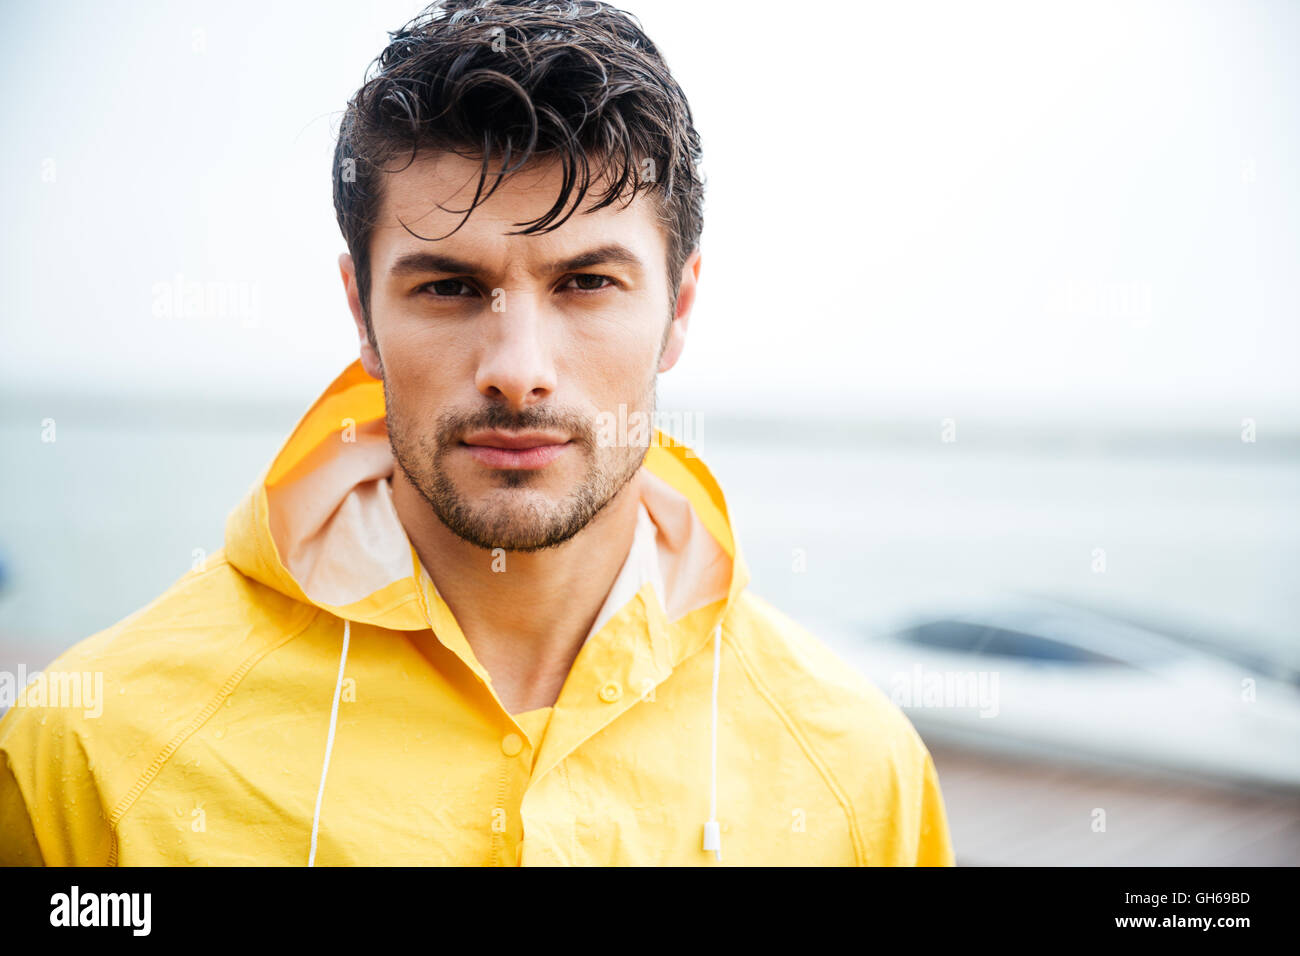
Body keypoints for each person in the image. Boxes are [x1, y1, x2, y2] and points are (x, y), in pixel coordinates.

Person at [0, 0, 955, 866]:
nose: (518, 367)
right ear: (363, 314)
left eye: (586, 282)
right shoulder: (90, 750)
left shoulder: (855, 771)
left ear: (679, 309)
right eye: (450, 287)